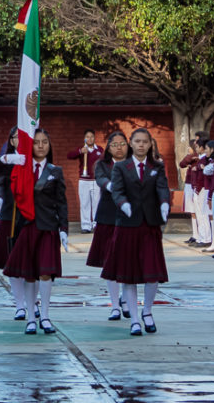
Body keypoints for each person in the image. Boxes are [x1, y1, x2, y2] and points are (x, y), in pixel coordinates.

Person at [0, 128, 69, 335]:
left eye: (45, 142)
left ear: (50, 146)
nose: (41, 146)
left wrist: (64, 229)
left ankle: (46, 316)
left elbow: (61, 203)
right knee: (29, 275)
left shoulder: (55, 170)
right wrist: (8, 157)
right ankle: (31, 317)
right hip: (26, 227)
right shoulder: (20, 167)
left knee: (46, 274)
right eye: (36, 142)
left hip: (48, 228)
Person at [103, 128, 170, 337]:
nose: (141, 145)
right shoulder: (121, 167)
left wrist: (165, 204)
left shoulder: (156, 167)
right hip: (127, 224)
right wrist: (123, 204)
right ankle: (134, 319)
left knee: (152, 273)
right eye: (137, 141)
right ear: (131, 143)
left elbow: (161, 188)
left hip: (149, 225)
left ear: (150, 144)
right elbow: (117, 190)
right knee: (129, 275)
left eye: (145, 142)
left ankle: (147, 311)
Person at [0, 127, 35, 320]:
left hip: (31, 215)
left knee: (31, 261)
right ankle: (20, 304)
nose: (19, 141)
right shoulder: (7, 158)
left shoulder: (35, 159)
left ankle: (33, 302)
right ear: (11, 141)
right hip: (10, 214)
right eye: (15, 138)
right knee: (12, 261)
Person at [87, 131, 131, 322]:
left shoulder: (135, 164)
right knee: (109, 261)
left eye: (122, 144)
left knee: (129, 261)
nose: (119, 148)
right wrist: (114, 186)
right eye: (115, 144)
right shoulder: (102, 164)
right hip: (108, 216)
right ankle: (114, 305)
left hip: (130, 217)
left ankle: (127, 300)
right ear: (108, 147)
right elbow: (101, 180)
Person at [66, 129, 103, 233]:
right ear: (84, 138)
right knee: (85, 203)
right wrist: (80, 151)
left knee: (97, 203)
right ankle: (86, 226)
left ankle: (96, 225)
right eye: (87, 136)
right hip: (84, 180)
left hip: (96, 180)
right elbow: (69, 155)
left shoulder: (99, 149)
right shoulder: (82, 149)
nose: (90, 138)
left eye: (91, 136)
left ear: (94, 138)